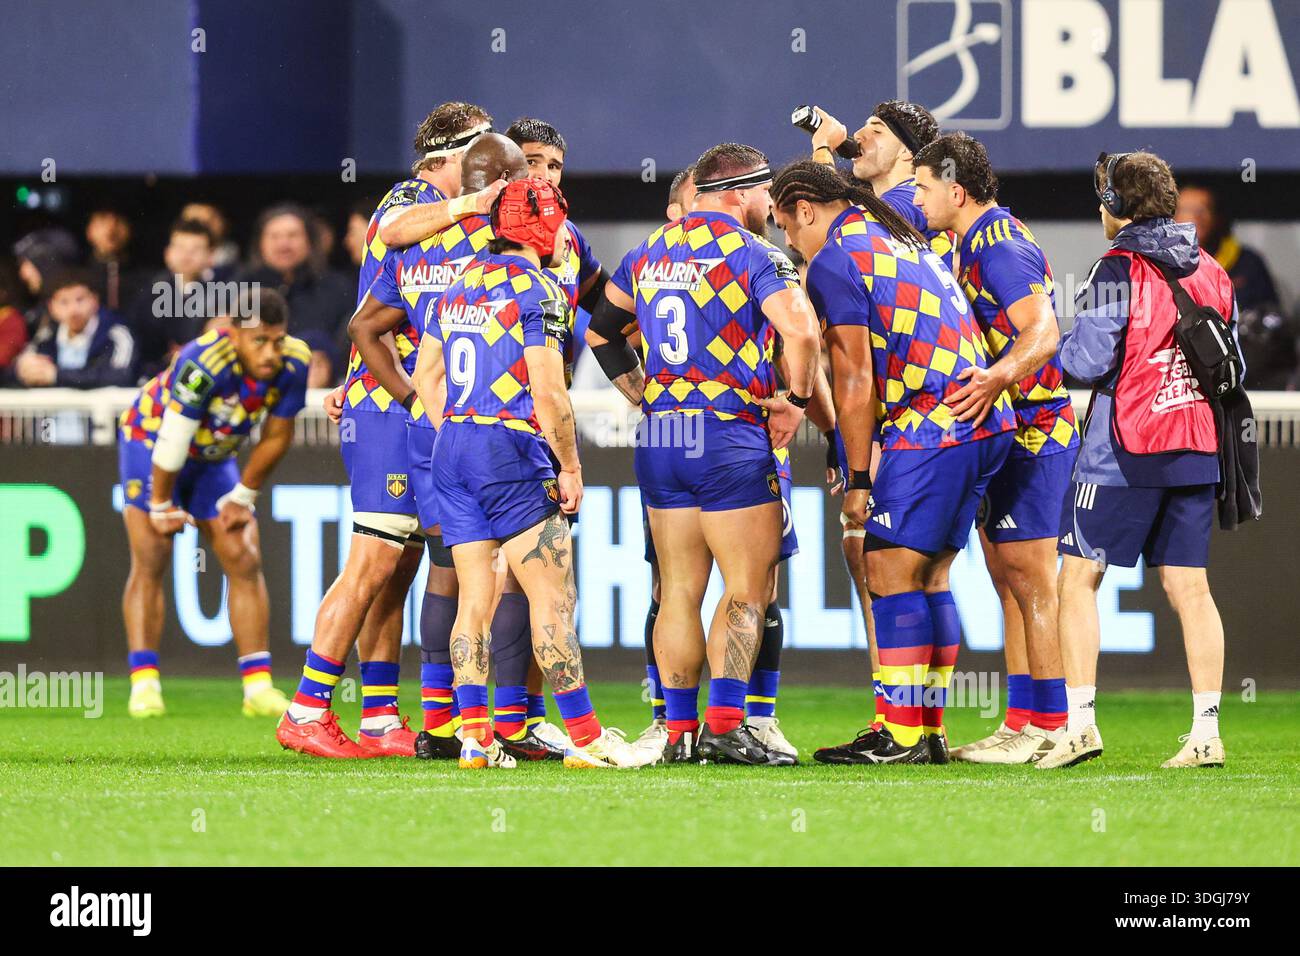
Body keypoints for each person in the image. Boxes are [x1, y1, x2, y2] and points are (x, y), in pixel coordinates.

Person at [771, 159, 1016, 765]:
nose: (788, 243)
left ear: (806, 210)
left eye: (785, 227)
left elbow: (854, 378)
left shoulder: (834, 258)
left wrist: (856, 476)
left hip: (933, 424)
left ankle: (900, 735)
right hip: (984, 420)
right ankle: (925, 731)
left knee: (886, 571)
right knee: (929, 575)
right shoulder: (894, 237)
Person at [280, 102, 506, 758]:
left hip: (402, 407)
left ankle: (378, 713)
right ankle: (306, 708)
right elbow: (393, 230)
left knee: (397, 569)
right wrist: (403, 397)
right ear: (454, 153)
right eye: (482, 150)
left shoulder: (446, 226)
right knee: (371, 561)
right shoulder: (409, 201)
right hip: (391, 411)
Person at [588, 143, 820, 767]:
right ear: (739, 193)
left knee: (678, 591)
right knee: (747, 591)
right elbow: (799, 329)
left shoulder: (647, 252)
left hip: (663, 436)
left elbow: (600, 332)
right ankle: (724, 726)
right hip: (728, 433)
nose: (772, 206)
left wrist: (642, 392)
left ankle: (677, 732)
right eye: (766, 193)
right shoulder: (756, 254)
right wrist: (796, 401)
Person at [419, 177, 652, 770]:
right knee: (553, 598)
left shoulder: (458, 283)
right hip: (510, 452)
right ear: (548, 228)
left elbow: (426, 377)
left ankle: (474, 739)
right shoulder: (540, 289)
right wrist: (569, 466)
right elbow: (549, 390)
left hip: (452, 446)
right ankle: (587, 737)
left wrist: (459, 427)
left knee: (474, 596)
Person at [351, 132, 566, 762]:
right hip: (508, 438)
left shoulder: (437, 245)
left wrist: (426, 410)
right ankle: (526, 724)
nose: (545, 177)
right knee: (526, 586)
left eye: (554, 166)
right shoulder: (501, 239)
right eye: (534, 167)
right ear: (499, 176)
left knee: (457, 578)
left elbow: (371, 326)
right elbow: (569, 341)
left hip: (449, 434)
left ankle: (456, 727)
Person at [1038, 152, 1237, 771]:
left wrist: (1052, 331)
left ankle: (1080, 726)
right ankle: (1206, 732)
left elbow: (1086, 363)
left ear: (1118, 208)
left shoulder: (1117, 268)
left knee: (1078, 578)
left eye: (1105, 199)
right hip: (1196, 445)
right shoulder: (1209, 269)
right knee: (1191, 588)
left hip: (1123, 451)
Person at [912, 133, 1077, 763]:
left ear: (956, 191)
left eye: (925, 186)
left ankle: (1054, 726)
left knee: (1033, 583)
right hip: (1004, 429)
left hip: (1036, 430)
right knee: (1008, 582)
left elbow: (1044, 331)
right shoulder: (969, 242)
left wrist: (997, 376)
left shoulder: (999, 247)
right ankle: (1021, 722)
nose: (918, 197)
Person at [117, 289, 305, 718]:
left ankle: (257, 688)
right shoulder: (203, 361)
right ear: (232, 335)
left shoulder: (295, 361)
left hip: (213, 454)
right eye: (259, 341)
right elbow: (174, 437)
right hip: (151, 441)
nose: (271, 353)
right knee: (152, 553)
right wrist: (161, 503)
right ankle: (144, 684)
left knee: (243, 554)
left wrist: (244, 495)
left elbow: (278, 436)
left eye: (277, 340)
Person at [808, 100, 955, 272]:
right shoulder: (899, 200)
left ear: (907, 151)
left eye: (877, 131)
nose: (857, 135)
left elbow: (832, 223)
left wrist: (822, 146)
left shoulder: (916, 197)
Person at [1176, 183, 1296, 389]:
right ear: (1172, 218)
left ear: (1217, 217)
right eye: (1186, 210)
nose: (1196, 217)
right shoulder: (1161, 265)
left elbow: (1272, 321)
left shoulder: (1247, 262)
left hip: (1242, 369)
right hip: (1181, 371)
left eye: (1203, 210)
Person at [240, 204, 354, 373]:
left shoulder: (338, 287)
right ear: (260, 243)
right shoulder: (240, 286)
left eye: (293, 235)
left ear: (310, 241)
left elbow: (349, 344)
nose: (283, 244)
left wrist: (328, 359)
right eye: (274, 236)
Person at [128, 218, 219, 379]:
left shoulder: (222, 297)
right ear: (167, 253)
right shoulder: (147, 294)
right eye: (180, 247)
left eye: (196, 249)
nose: (187, 255)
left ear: (210, 256)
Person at [14, 270, 136, 388]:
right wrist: (24, 370)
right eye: (64, 302)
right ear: (51, 307)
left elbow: (121, 375)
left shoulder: (116, 333)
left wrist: (57, 375)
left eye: (80, 300)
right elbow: (17, 369)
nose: (73, 310)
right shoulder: (46, 335)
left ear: (95, 300)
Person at [85, 207, 149, 313]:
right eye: (102, 221)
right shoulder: (77, 275)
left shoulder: (148, 279)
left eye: (118, 221)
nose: (111, 230)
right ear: (89, 231)